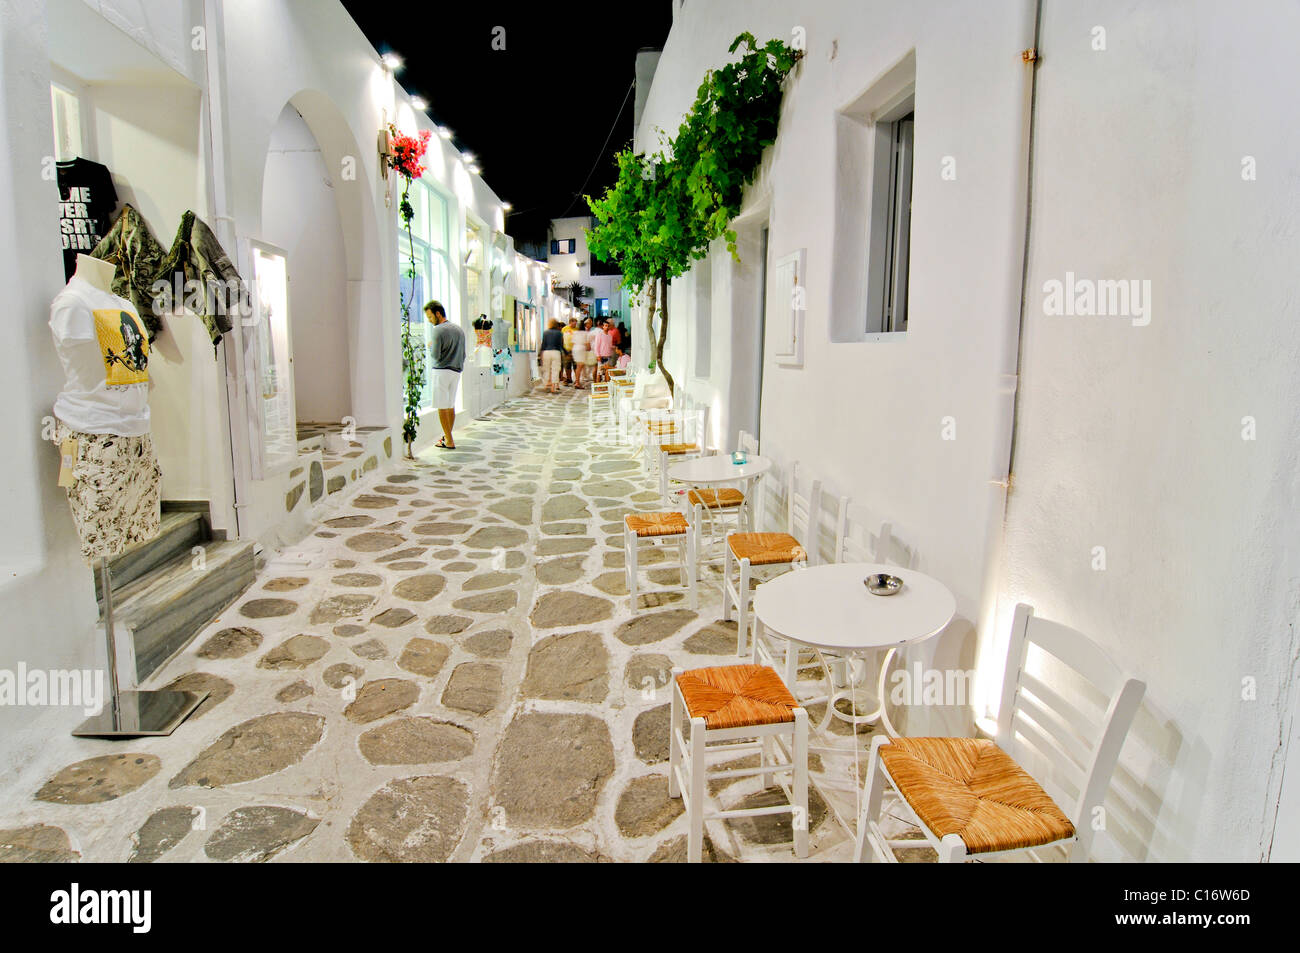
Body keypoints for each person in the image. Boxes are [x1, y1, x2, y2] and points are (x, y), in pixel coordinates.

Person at [425, 300, 464, 449]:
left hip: (441, 371)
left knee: (442, 406)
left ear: (438, 313)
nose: (429, 321)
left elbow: (435, 355)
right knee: (450, 405)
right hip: (456, 371)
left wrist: (430, 347)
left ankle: (449, 440)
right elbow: (463, 354)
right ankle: (447, 437)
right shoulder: (459, 330)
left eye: (430, 317)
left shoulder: (438, 330)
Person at [539, 318, 564, 394]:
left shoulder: (545, 333)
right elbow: (560, 345)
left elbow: (543, 344)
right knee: (555, 369)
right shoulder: (559, 333)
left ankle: (546, 384)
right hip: (556, 352)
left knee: (546, 369)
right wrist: (565, 352)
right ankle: (553, 386)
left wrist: (540, 353)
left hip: (547, 352)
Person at [570, 318, 591, 389]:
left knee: (578, 366)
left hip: (575, 349)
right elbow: (588, 345)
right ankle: (577, 382)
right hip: (581, 349)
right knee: (579, 367)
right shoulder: (586, 333)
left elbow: (572, 343)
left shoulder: (575, 333)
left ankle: (577, 381)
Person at [561, 318, 576, 385]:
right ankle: (569, 378)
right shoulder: (564, 329)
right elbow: (562, 338)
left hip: (575, 350)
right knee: (567, 365)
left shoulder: (577, 329)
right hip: (566, 349)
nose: (575, 324)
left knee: (575, 365)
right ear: (570, 322)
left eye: (576, 323)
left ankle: (576, 379)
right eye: (574, 323)